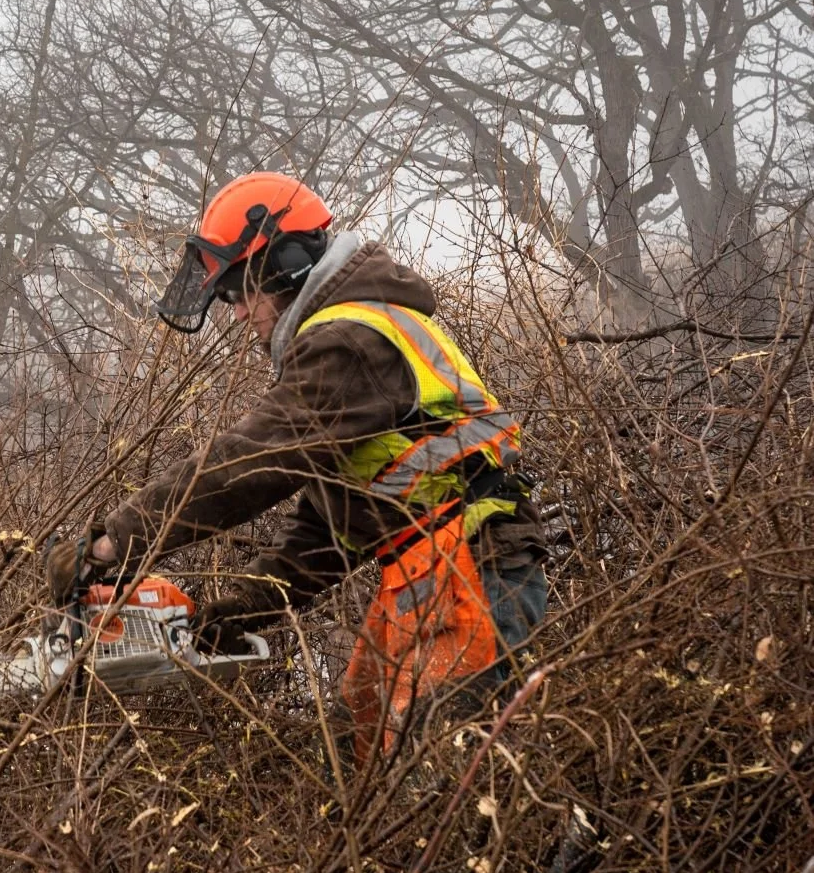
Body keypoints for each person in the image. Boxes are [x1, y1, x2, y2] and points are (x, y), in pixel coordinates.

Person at [45, 172, 546, 764]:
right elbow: (328, 533)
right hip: (423, 569)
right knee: (362, 761)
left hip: (467, 566)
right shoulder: (351, 338)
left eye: (238, 294)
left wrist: (114, 543)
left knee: (441, 779)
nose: (237, 315)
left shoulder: (351, 339)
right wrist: (238, 610)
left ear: (282, 264)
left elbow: (254, 461)